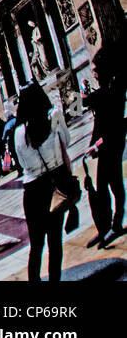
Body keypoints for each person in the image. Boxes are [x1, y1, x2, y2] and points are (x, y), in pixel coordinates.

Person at [13, 82, 73, 282]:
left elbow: (22, 164)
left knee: (36, 245)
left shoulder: (18, 132)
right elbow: (67, 140)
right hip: (53, 184)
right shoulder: (53, 117)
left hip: (32, 191)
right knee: (55, 242)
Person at [82, 54, 125, 247]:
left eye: (94, 70)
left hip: (110, 145)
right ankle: (110, 226)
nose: (93, 73)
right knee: (111, 185)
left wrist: (98, 145)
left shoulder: (108, 94)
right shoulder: (110, 91)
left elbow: (79, 105)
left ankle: (110, 227)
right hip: (109, 144)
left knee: (108, 186)